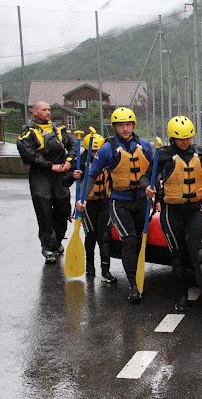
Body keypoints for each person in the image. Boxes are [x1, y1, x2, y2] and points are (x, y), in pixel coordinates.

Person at [141, 116, 202, 320]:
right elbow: (146, 176)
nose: (185, 142)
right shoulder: (163, 156)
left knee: (199, 255)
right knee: (178, 255)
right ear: (172, 138)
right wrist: (147, 187)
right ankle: (181, 297)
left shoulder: (200, 154)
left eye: (188, 138)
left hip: (195, 210)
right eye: (181, 139)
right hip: (172, 212)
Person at [76, 107, 153, 303]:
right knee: (128, 240)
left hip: (142, 201)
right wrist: (83, 198)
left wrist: (158, 195)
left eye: (128, 124)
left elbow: (155, 173)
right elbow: (91, 175)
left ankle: (137, 277)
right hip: (120, 202)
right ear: (115, 127)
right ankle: (134, 285)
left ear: (133, 125)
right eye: (120, 125)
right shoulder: (106, 149)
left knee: (137, 241)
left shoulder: (144, 146)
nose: (125, 129)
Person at [17, 101, 77, 264]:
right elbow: (28, 154)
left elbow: (72, 144)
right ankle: (48, 247)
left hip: (59, 176)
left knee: (63, 210)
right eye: (44, 110)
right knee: (44, 213)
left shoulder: (59, 129)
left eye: (49, 109)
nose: (48, 112)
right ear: (34, 112)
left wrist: (69, 161)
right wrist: (50, 166)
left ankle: (57, 242)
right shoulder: (28, 133)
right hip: (41, 176)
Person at [63, 133, 117, 283]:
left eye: (99, 151)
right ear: (88, 150)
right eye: (94, 152)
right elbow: (64, 181)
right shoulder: (80, 162)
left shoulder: (109, 161)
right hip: (87, 205)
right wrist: (73, 175)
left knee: (105, 236)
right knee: (91, 235)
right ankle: (90, 267)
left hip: (104, 203)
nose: (97, 154)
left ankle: (105, 271)